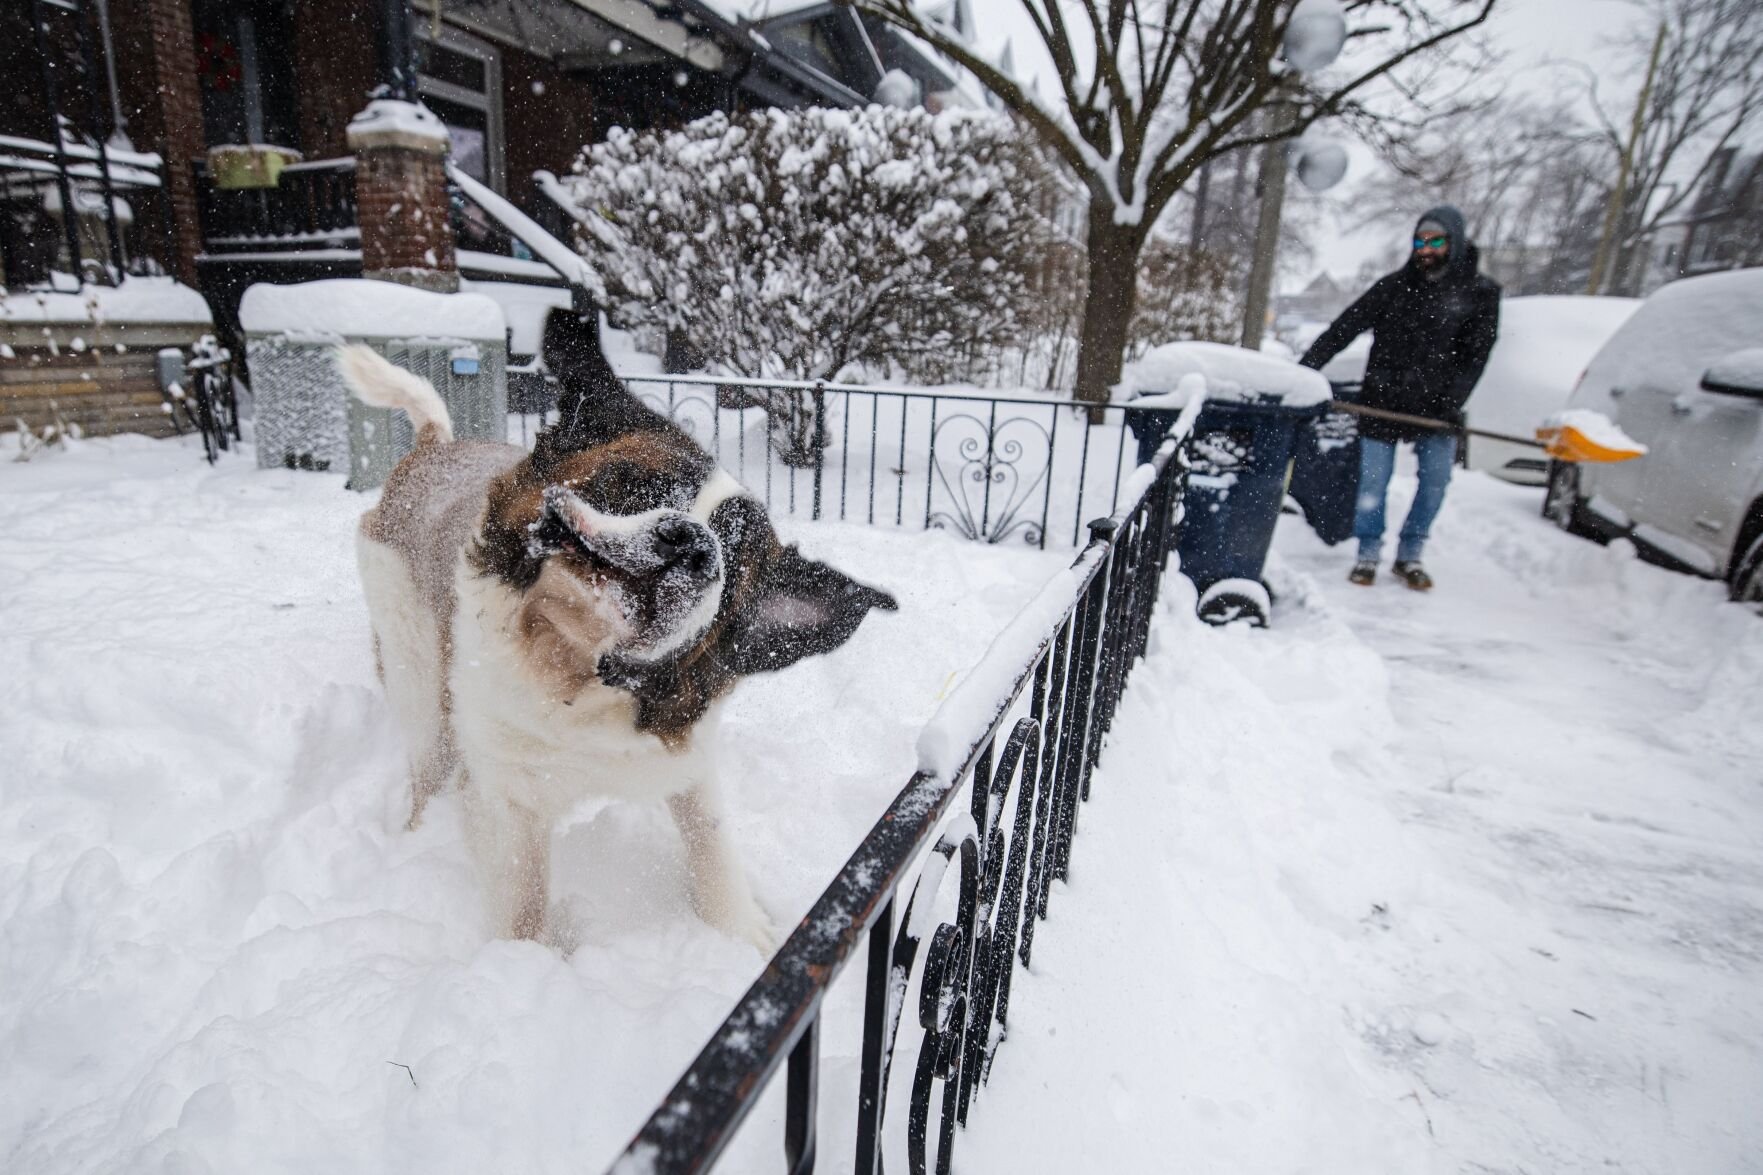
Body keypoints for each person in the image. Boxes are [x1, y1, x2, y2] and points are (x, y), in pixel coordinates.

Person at [1299, 205, 1500, 590]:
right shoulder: (1394, 288)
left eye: (1435, 241)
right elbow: (1344, 328)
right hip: (1382, 400)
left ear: (1454, 243)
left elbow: (1477, 356)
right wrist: (1304, 369)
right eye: (1419, 241)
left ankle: (1410, 554)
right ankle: (1368, 552)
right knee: (1373, 483)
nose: (1425, 249)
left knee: (1435, 482)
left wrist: (1450, 402)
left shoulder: (1480, 294)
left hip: (1438, 410)